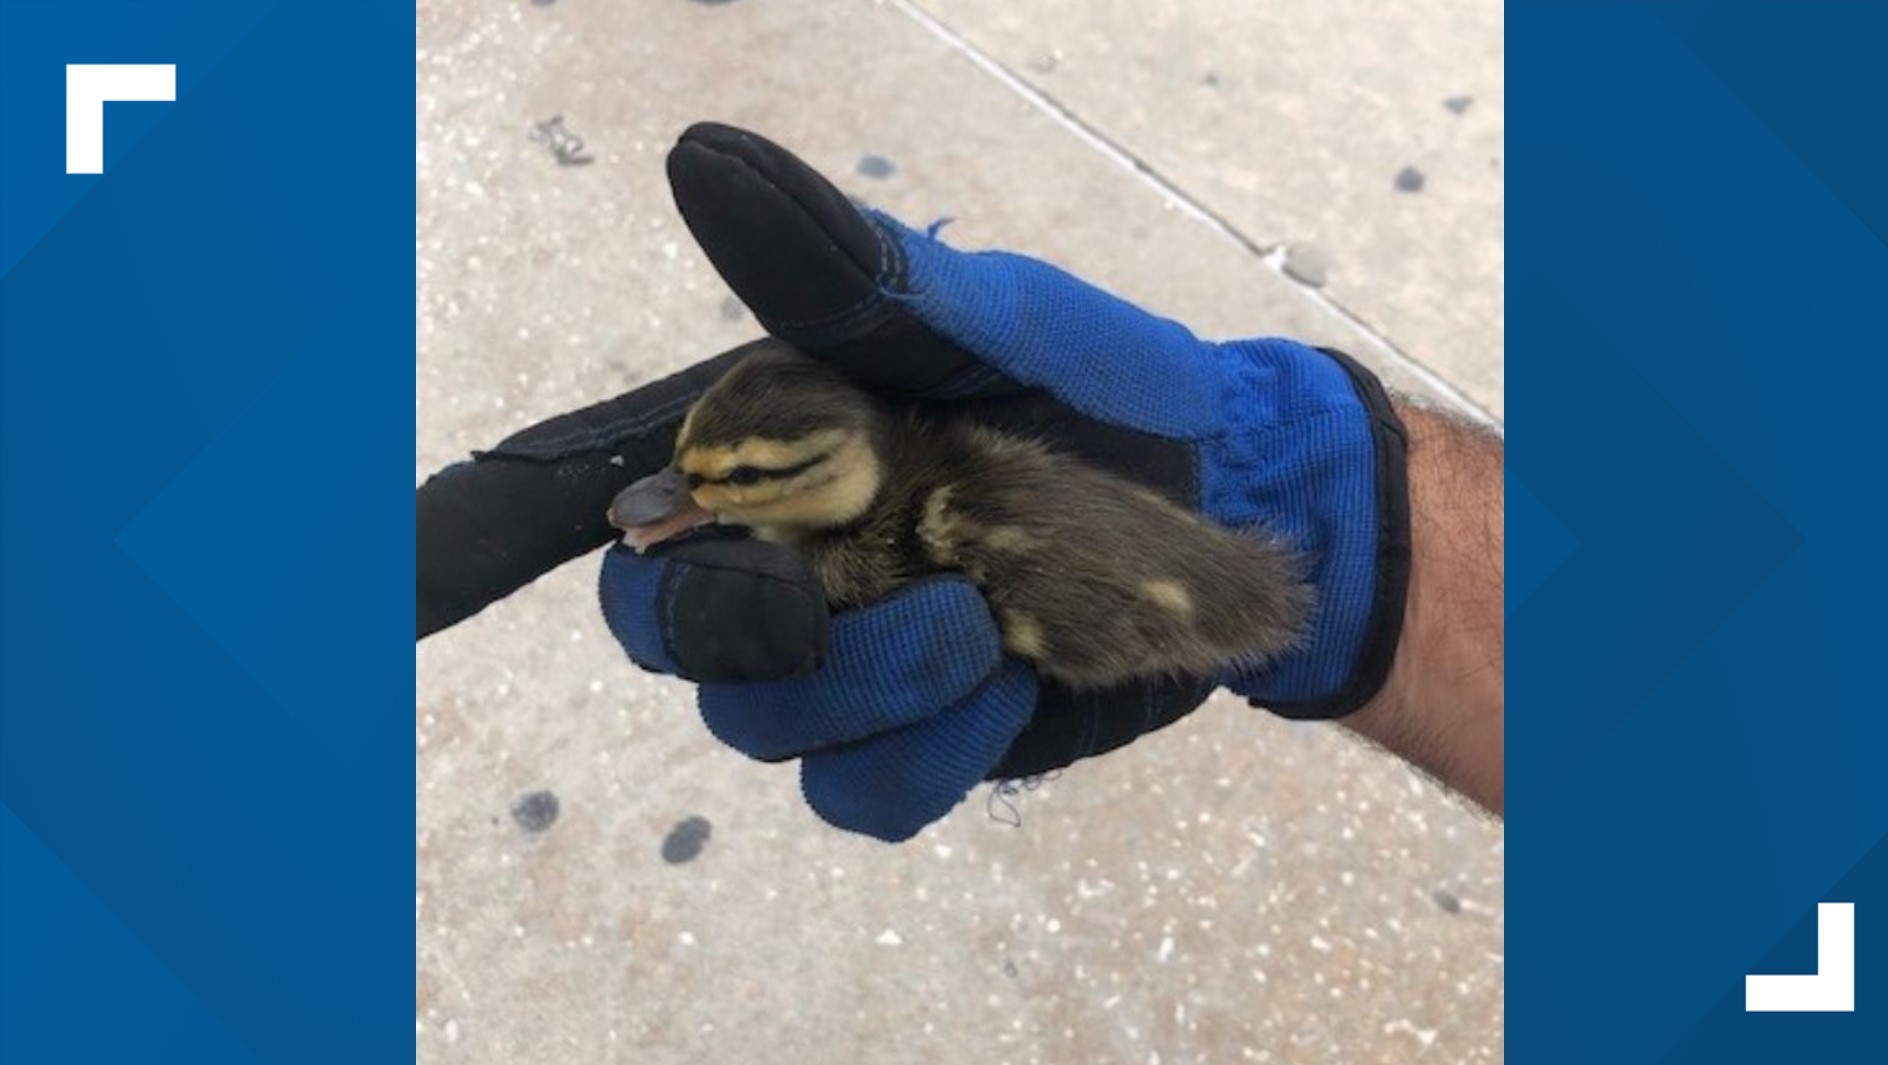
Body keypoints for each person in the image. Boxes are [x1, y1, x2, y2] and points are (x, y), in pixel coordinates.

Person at [416, 124, 1503, 840]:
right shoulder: (935, 476)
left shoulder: (899, 530)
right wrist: (1326, 506)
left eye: (741, 478)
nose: (681, 499)